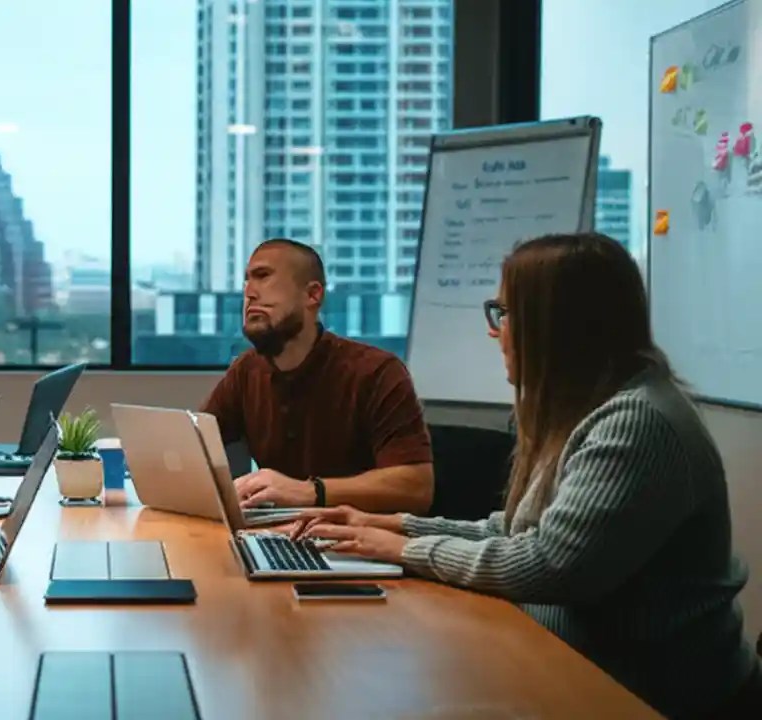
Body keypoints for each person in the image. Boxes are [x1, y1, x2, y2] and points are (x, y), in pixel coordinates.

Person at [291, 232, 761, 719]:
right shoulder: (580, 409)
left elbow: (548, 565)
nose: (495, 332)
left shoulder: (637, 422)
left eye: (505, 313)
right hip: (585, 672)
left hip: (661, 699)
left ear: (558, 325)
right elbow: (514, 530)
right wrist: (392, 525)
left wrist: (402, 550)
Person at [201, 238, 434, 512]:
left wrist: (309, 492)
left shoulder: (376, 371)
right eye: (246, 281)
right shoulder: (247, 370)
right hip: (284, 533)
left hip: (359, 540)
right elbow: (196, 448)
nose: (250, 293)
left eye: (263, 277)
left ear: (313, 295)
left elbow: (416, 487)